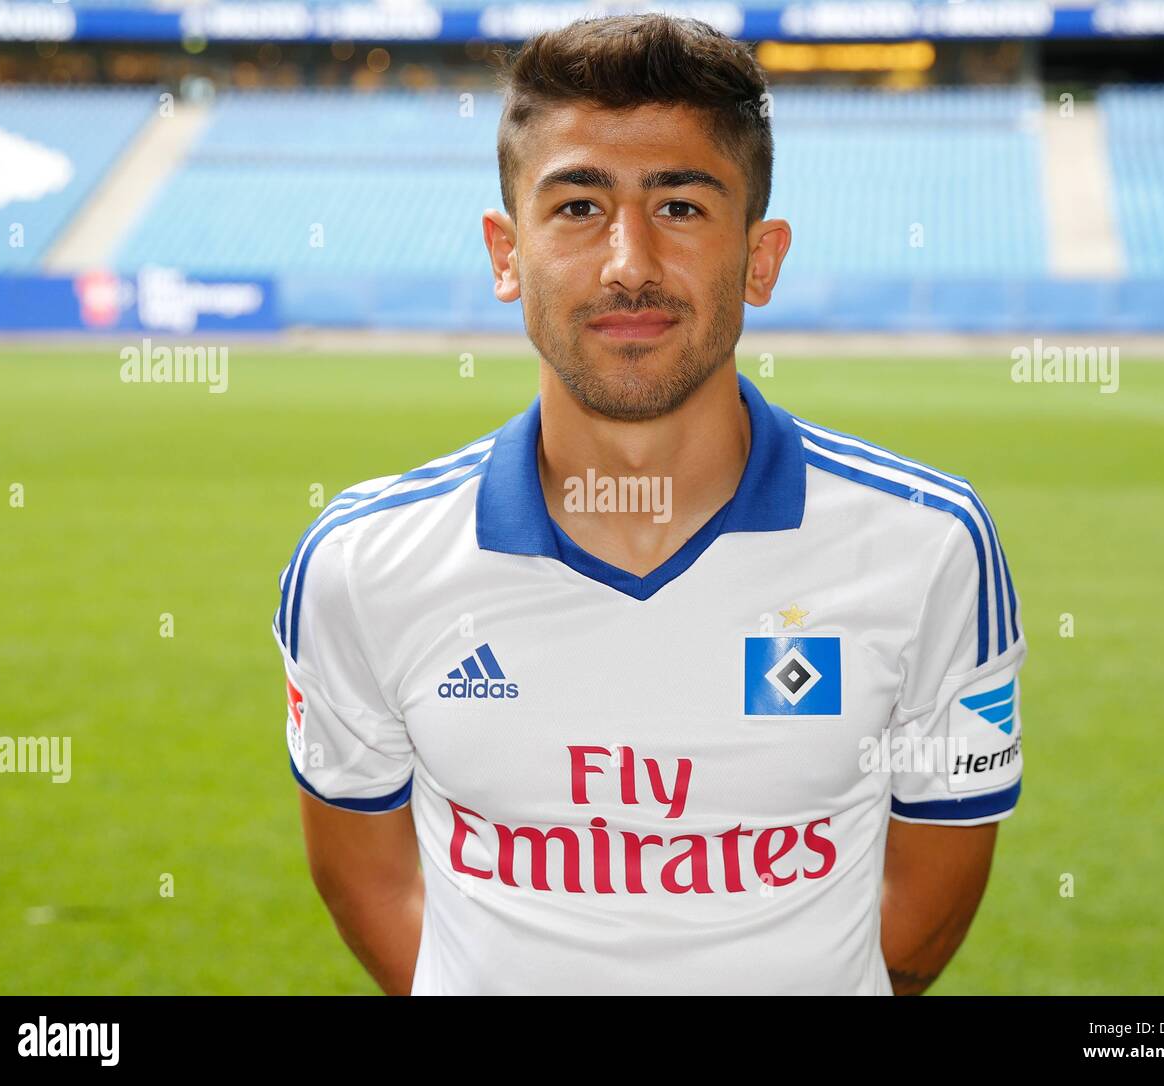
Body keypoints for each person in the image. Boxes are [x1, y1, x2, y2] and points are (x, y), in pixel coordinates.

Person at [273, 13, 1025, 995]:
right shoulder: (362, 563)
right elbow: (364, 876)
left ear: (759, 257)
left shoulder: (928, 547)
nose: (628, 262)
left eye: (678, 207)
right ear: (507, 253)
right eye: (579, 207)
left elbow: (922, 909)